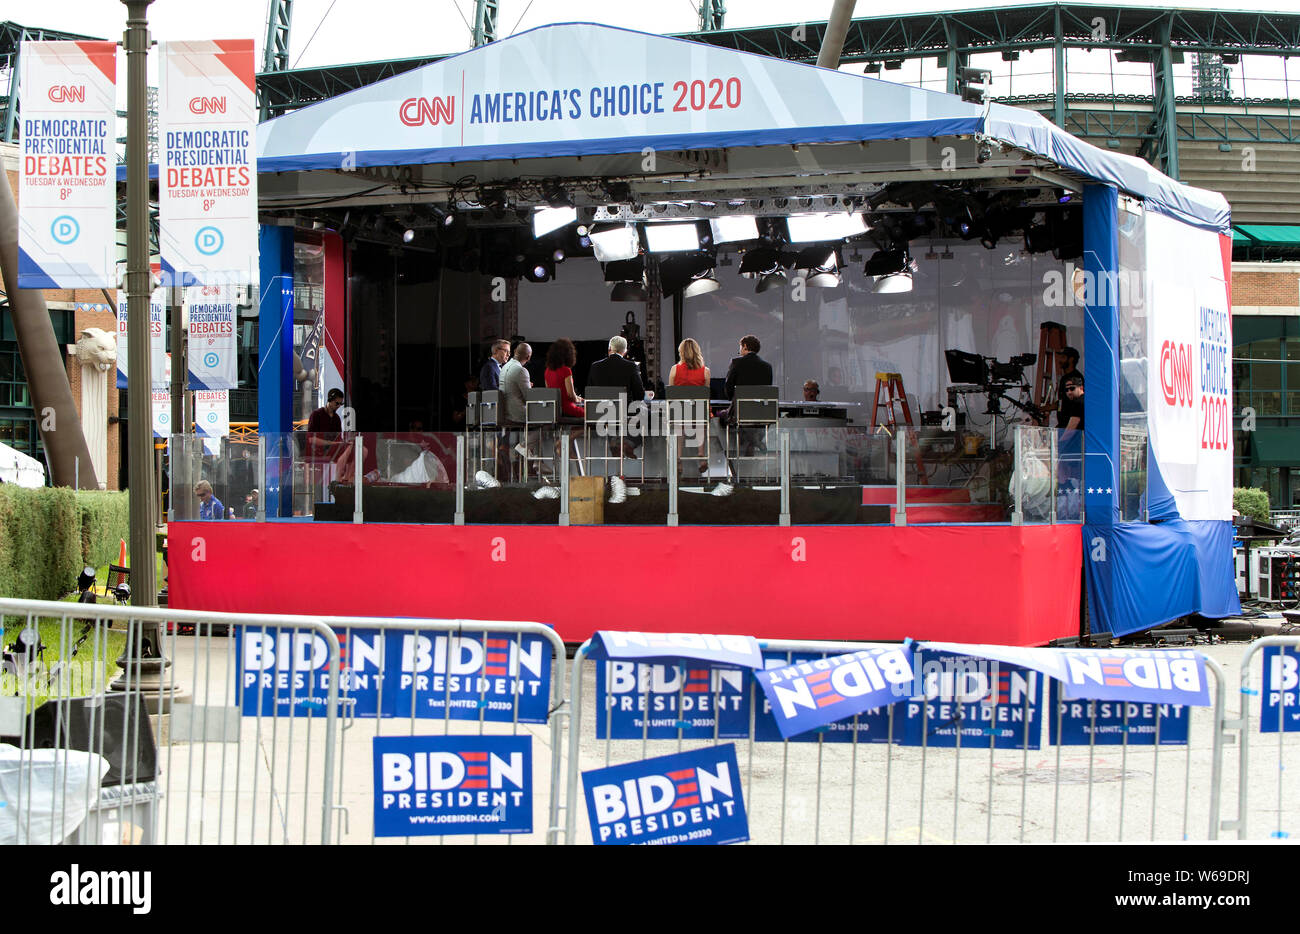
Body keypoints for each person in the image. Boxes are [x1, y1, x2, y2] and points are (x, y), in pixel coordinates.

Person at [588, 335, 647, 459]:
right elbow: (640, 394)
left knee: (612, 417)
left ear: (610, 348)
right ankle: (629, 443)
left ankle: (614, 442)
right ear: (625, 351)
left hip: (600, 413)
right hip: (623, 412)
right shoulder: (631, 366)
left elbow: (590, 391)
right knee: (647, 414)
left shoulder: (595, 366)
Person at [722, 335, 774, 456]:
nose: (739, 351)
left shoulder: (736, 362)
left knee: (726, 418)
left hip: (740, 412)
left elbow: (728, 388)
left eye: (740, 347)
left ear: (745, 346)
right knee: (752, 422)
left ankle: (751, 442)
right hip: (762, 413)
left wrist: (731, 398)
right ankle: (754, 442)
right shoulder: (767, 366)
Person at [544, 338, 585, 419]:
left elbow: (549, 392)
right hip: (567, 408)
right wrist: (578, 399)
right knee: (590, 414)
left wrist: (576, 398)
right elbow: (570, 395)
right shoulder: (566, 370)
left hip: (554, 410)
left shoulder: (547, 370)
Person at [499, 342, 532, 424]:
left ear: (514, 351)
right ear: (528, 357)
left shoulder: (503, 367)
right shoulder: (521, 370)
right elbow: (529, 397)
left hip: (504, 413)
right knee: (546, 421)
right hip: (518, 415)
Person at [306, 388, 345, 456]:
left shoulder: (336, 418)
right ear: (330, 400)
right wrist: (330, 443)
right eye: (337, 403)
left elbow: (338, 438)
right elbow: (311, 439)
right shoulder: (316, 414)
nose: (339, 406)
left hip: (332, 451)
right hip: (318, 452)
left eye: (341, 404)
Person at [1055, 346, 1080, 423]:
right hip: (1064, 426)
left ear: (1071, 359)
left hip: (1072, 428)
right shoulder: (1065, 378)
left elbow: (1076, 406)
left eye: (1063, 357)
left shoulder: (1075, 378)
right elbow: (1062, 402)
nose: (1060, 360)